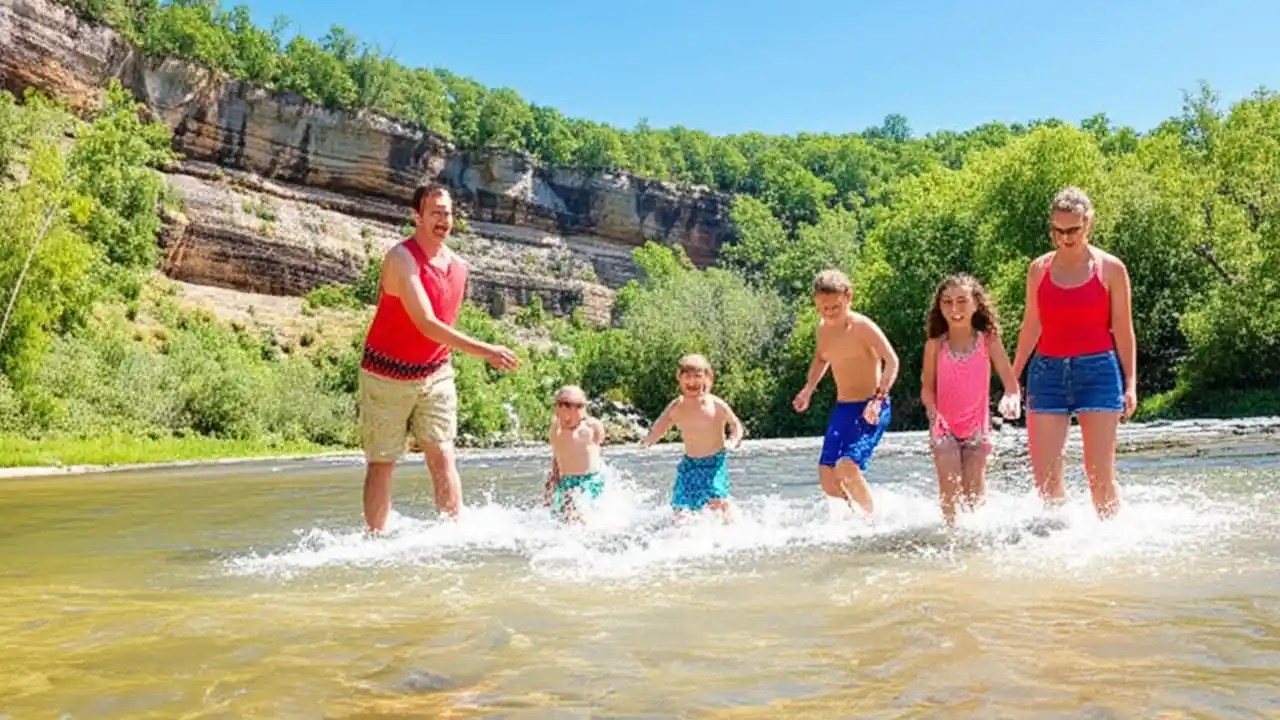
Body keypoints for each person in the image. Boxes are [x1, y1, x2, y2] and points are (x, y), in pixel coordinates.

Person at [357, 183, 519, 533]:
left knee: (443, 454)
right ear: (417, 216)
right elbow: (427, 324)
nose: (443, 219)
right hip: (386, 374)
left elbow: (443, 325)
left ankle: (453, 533)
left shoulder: (460, 266)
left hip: (435, 373)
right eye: (435, 212)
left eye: (447, 213)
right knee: (382, 462)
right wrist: (487, 351)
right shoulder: (401, 258)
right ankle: (375, 539)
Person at [1010, 186, 1137, 519]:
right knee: (1046, 482)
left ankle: (1112, 546)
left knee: (1100, 477)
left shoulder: (1111, 269)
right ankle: (1060, 550)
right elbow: (1031, 326)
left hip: (1099, 373)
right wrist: (1012, 379)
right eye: (1058, 230)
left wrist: (1131, 382)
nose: (1065, 237)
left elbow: (1123, 329)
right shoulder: (1038, 269)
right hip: (1046, 375)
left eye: (1073, 230)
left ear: (1088, 224)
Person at [792, 269, 899, 517]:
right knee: (827, 472)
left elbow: (892, 361)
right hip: (844, 408)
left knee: (847, 466)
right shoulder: (822, 330)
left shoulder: (862, 326)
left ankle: (873, 520)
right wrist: (809, 388)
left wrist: (879, 398)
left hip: (871, 406)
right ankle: (852, 520)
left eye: (835, 307)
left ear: (848, 297)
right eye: (823, 308)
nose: (829, 313)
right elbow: (821, 359)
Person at [920, 274, 1022, 527]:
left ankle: (975, 555)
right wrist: (933, 413)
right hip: (944, 427)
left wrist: (1011, 399)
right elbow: (927, 389)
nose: (954, 309)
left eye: (962, 301)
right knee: (951, 497)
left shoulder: (987, 340)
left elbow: (1011, 385)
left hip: (977, 429)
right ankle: (952, 541)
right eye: (947, 302)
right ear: (939, 306)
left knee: (974, 500)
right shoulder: (935, 345)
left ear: (976, 304)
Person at [640, 354, 745, 519]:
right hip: (689, 464)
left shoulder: (716, 404)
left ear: (707, 378)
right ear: (679, 378)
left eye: (697, 376)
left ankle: (731, 528)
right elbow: (661, 425)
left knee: (717, 502)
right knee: (681, 508)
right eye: (687, 377)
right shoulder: (677, 407)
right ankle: (681, 536)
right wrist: (649, 440)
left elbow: (735, 424)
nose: (692, 381)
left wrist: (733, 439)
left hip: (714, 463)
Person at [544, 385, 607, 523]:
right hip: (566, 479)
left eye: (578, 407)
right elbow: (557, 453)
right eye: (561, 406)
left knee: (574, 505)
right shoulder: (555, 429)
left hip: (589, 479)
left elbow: (598, 447)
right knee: (557, 512)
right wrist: (554, 477)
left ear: (582, 411)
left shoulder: (591, 428)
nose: (565, 419)